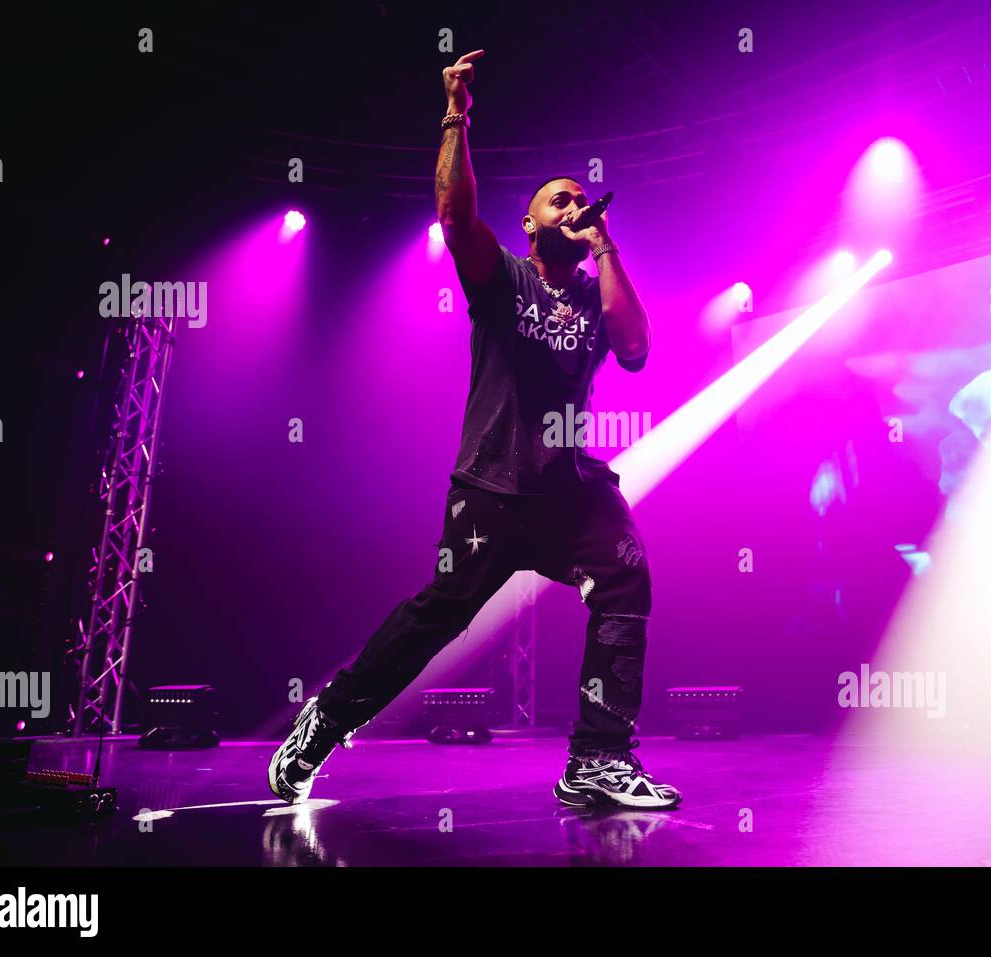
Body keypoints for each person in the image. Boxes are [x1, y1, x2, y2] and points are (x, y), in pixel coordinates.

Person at [268, 49, 681, 809]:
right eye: (559, 200)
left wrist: (606, 245)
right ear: (528, 223)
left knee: (626, 574)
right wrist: (455, 111)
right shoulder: (506, 278)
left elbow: (636, 351)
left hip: (566, 490)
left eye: (581, 199)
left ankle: (597, 757)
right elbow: (454, 217)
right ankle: (326, 721)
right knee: (439, 615)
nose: (574, 205)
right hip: (492, 485)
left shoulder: (595, 290)